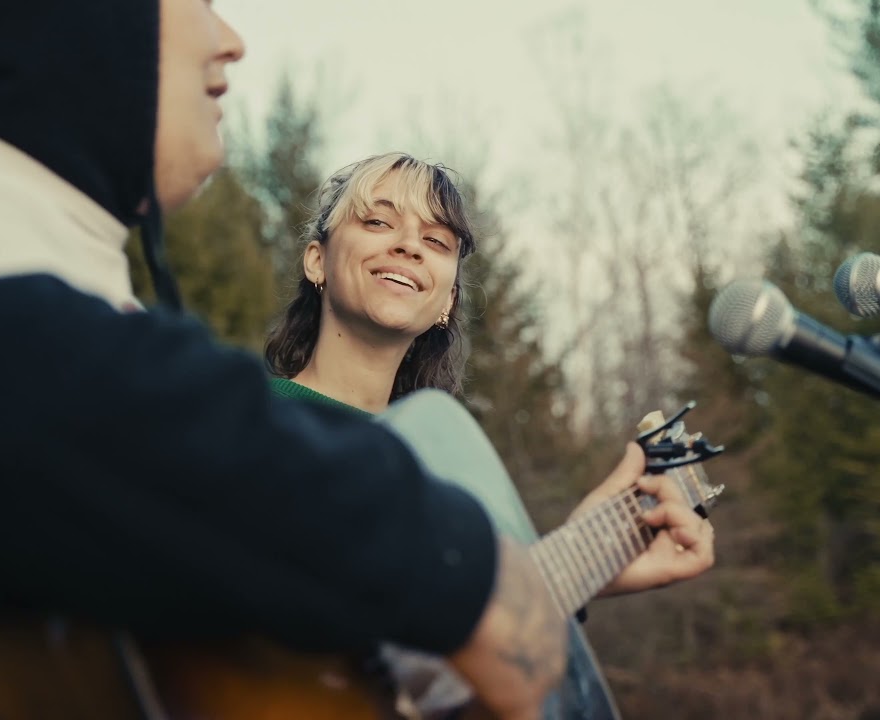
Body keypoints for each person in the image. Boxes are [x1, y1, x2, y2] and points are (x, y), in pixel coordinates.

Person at [0, 4, 709, 720]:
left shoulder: (8, 250)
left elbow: (354, 664)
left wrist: (576, 554)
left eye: (440, 241)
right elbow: (36, 398)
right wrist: (457, 565)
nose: (230, 38)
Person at [264, 152, 717, 716]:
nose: (408, 246)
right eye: (378, 222)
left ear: (447, 301)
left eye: (436, 242)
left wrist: (577, 566)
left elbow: (427, 680)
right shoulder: (244, 416)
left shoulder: (445, 474)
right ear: (316, 260)